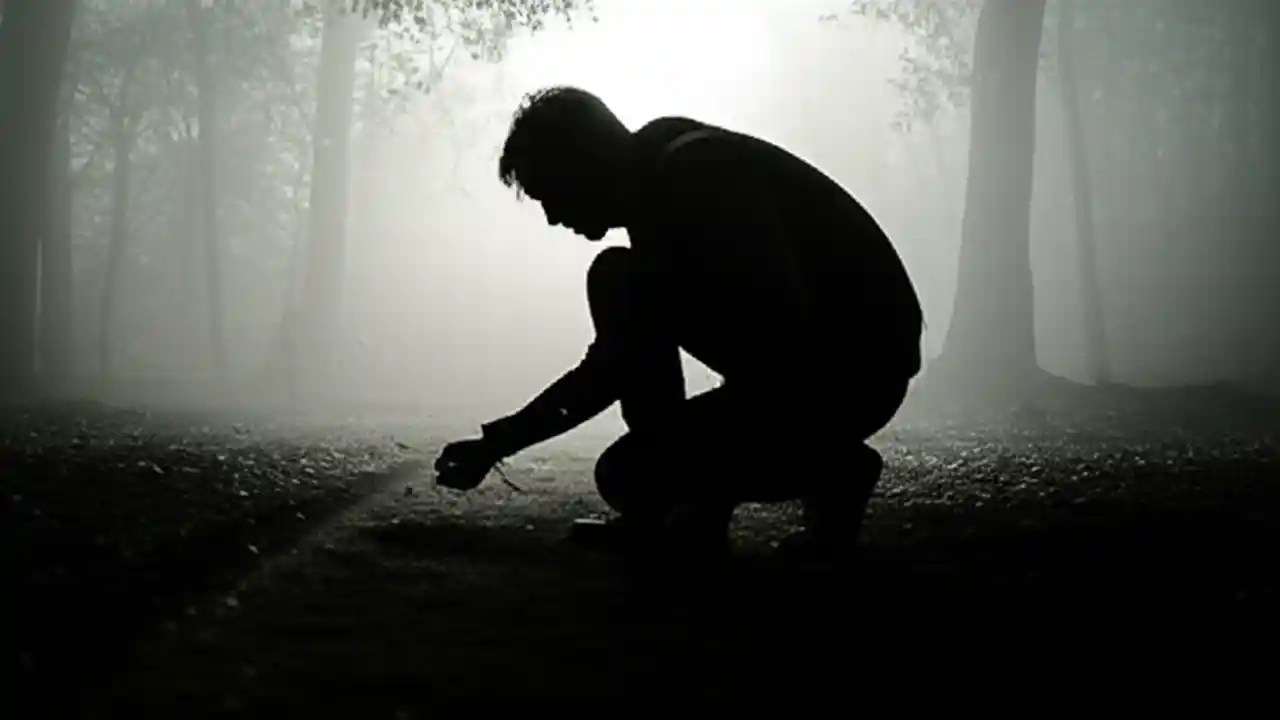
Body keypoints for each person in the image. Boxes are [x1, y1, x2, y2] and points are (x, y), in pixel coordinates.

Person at [434, 86, 923, 563]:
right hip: (829, 364)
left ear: (583, 165)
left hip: (850, 376)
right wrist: (499, 442)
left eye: (550, 195)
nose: (553, 218)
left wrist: (706, 484)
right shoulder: (671, 183)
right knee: (624, 294)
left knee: (634, 473)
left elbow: (776, 324)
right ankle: (706, 497)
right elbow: (628, 357)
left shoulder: (696, 177)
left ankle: (831, 469)